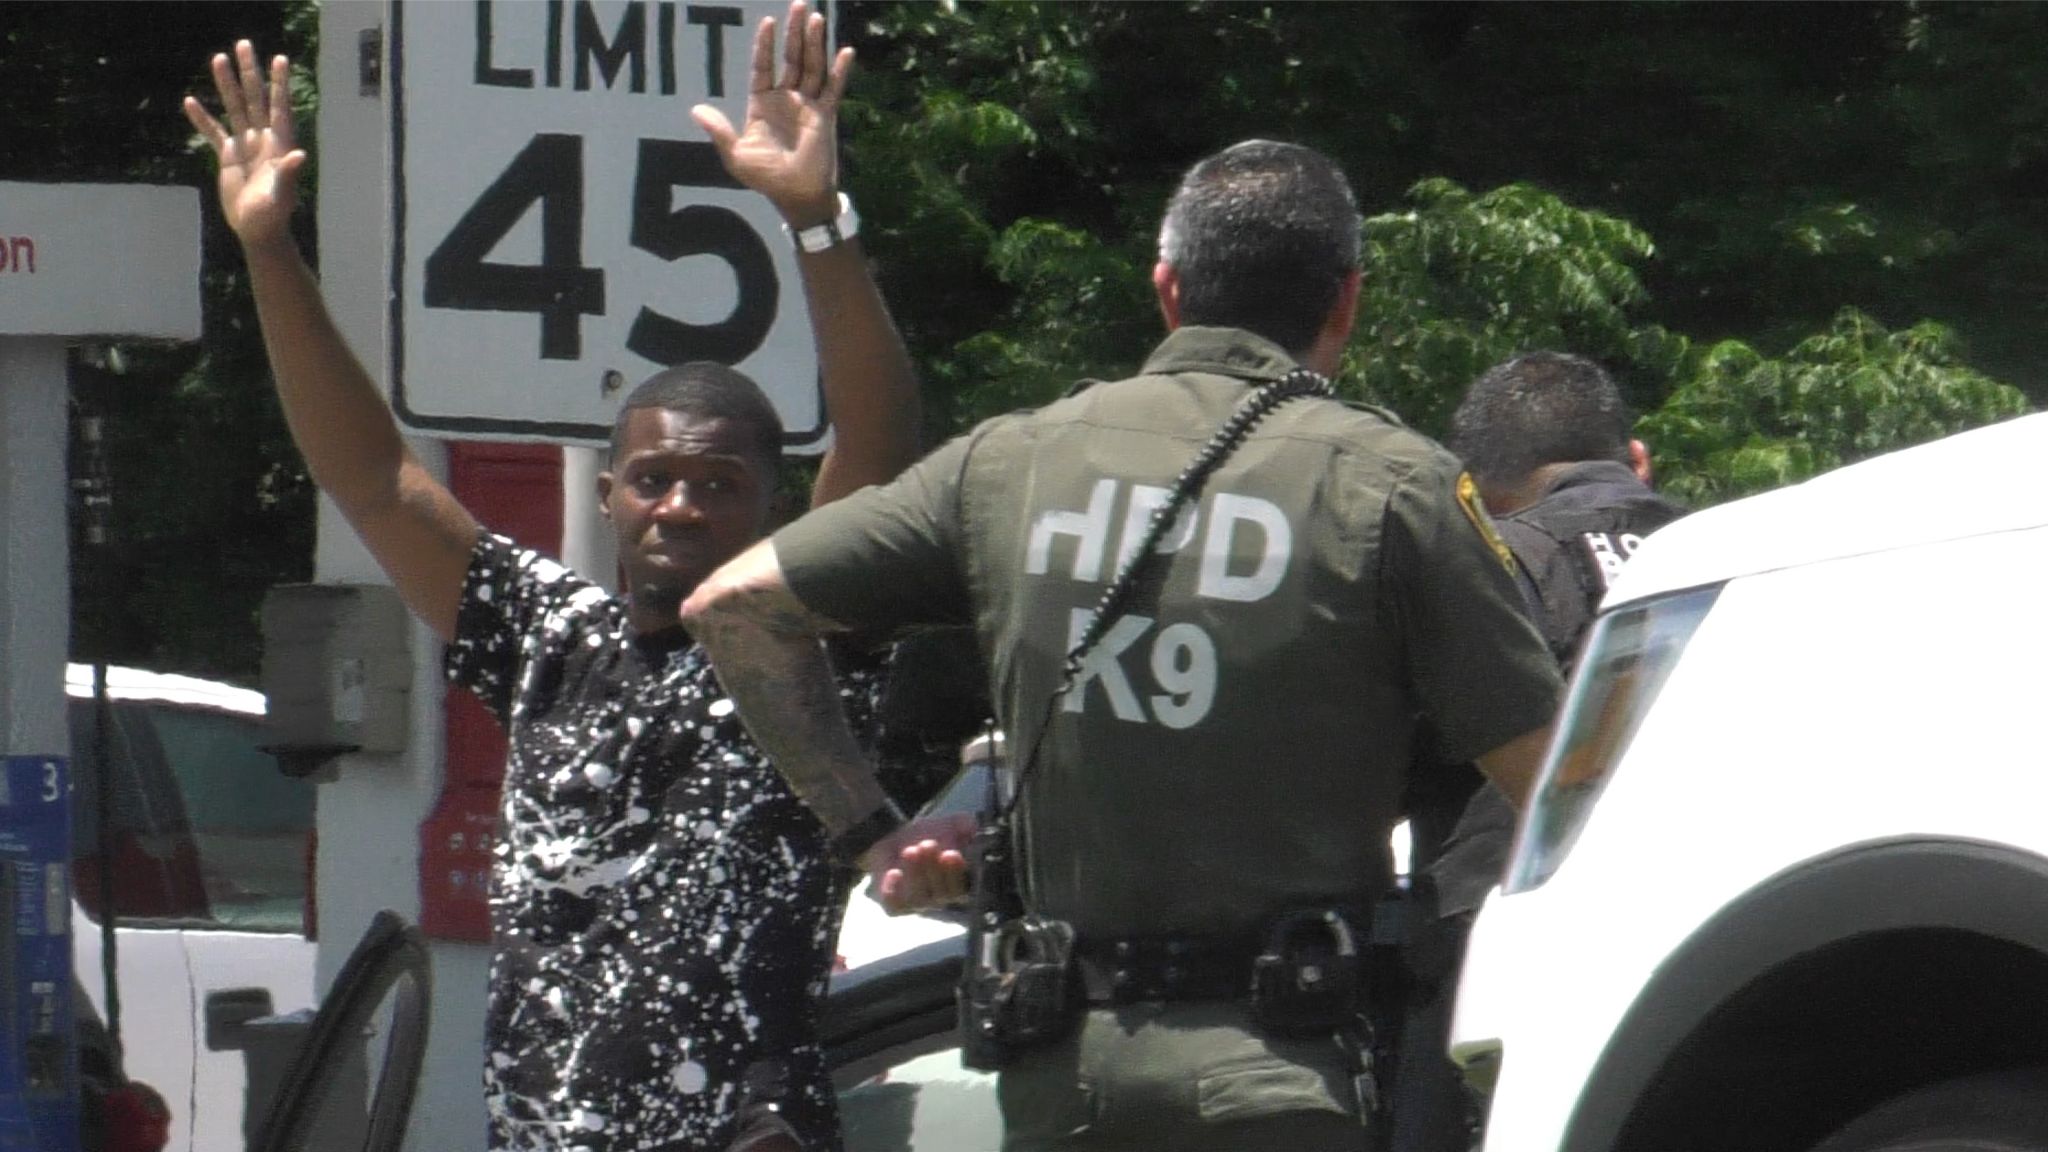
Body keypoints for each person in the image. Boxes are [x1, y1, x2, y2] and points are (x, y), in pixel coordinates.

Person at [681, 139, 1565, 1151]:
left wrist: (870, 832)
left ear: (1165, 287)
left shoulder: (1012, 459)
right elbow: (1548, 786)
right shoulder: (1390, 486)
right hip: (1284, 1075)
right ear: (1346, 302)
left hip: (1061, 1076)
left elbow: (734, 606)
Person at [184, 7, 926, 1150]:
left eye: (719, 483)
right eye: (653, 477)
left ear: (769, 503)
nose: (680, 504)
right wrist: (269, 248)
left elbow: (875, 447)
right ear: (610, 494)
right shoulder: (548, 636)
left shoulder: (806, 637)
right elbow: (374, 478)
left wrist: (815, 222)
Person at [1393, 351, 1689, 1152]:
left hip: (1494, 955)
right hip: (1707, 942)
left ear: (1478, 488)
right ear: (1637, 462)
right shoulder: (1725, 556)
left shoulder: (1483, 565)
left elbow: (1385, 760)